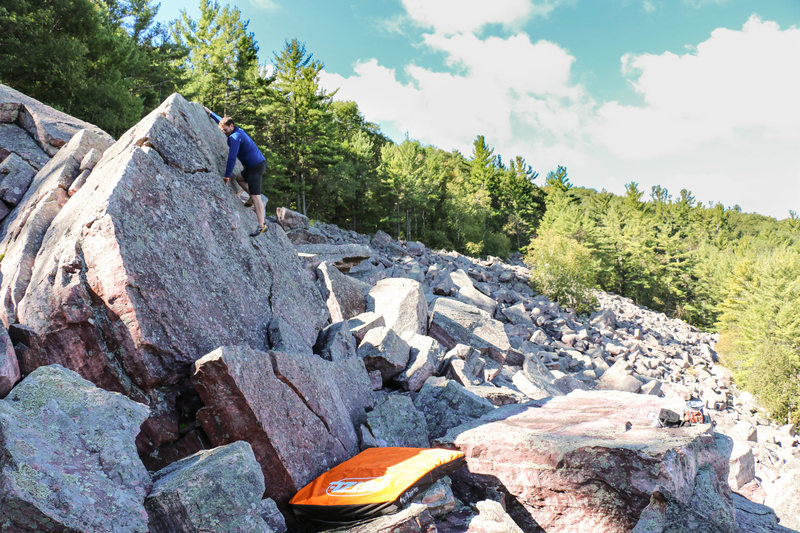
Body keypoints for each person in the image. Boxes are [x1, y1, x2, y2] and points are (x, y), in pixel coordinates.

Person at [204, 106, 268, 236]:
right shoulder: (234, 129)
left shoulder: (235, 137)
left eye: (225, 130)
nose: (224, 132)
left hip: (256, 167)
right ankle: (251, 197)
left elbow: (232, 157)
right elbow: (221, 121)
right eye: (222, 130)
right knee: (239, 178)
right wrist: (210, 113)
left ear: (231, 126)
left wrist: (226, 176)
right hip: (251, 167)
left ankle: (262, 226)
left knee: (257, 197)